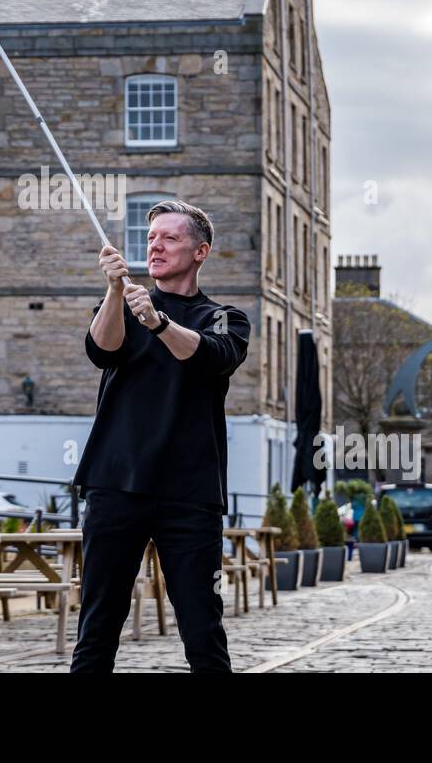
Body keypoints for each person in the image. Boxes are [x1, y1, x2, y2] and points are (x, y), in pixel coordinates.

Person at [69, 200, 251, 673]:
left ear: (200, 251)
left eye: (169, 238)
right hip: (115, 484)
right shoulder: (123, 303)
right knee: (98, 625)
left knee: (202, 627)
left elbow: (213, 356)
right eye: (151, 239)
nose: (156, 246)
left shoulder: (225, 316)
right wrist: (113, 290)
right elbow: (100, 350)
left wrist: (159, 322)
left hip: (190, 493)